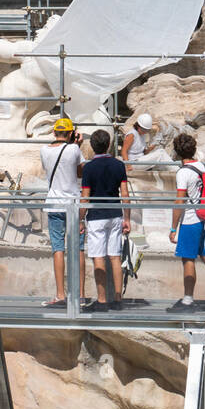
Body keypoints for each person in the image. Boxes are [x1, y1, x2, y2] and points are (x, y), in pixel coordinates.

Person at [170, 132, 205, 311]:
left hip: (190, 220)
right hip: (204, 216)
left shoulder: (183, 173)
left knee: (188, 259)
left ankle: (188, 299)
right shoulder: (201, 166)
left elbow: (179, 202)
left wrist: (173, 228)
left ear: (178, 152)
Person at [80, 129, 131, 311]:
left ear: (92, 147)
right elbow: (125, 194)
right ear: (108, 144)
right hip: (115, 213)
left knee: (98, 257)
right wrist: (127, 218)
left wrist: (80, 219)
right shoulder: (119, 165)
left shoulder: (89, 168)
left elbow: (85, 197)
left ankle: (102, 300)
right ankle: (118, 299)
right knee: (115, 257)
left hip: (96, 216)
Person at [40, 117, 86, 307]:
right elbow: (80, 173)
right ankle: (80, 294)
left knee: (58, 249)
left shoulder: (44, 150)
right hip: (73, 204)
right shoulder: (74, 149)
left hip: (54, 203)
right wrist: (78, 145)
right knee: (79, 249)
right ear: (70, 133)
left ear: (54, 132)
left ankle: (60, 294)